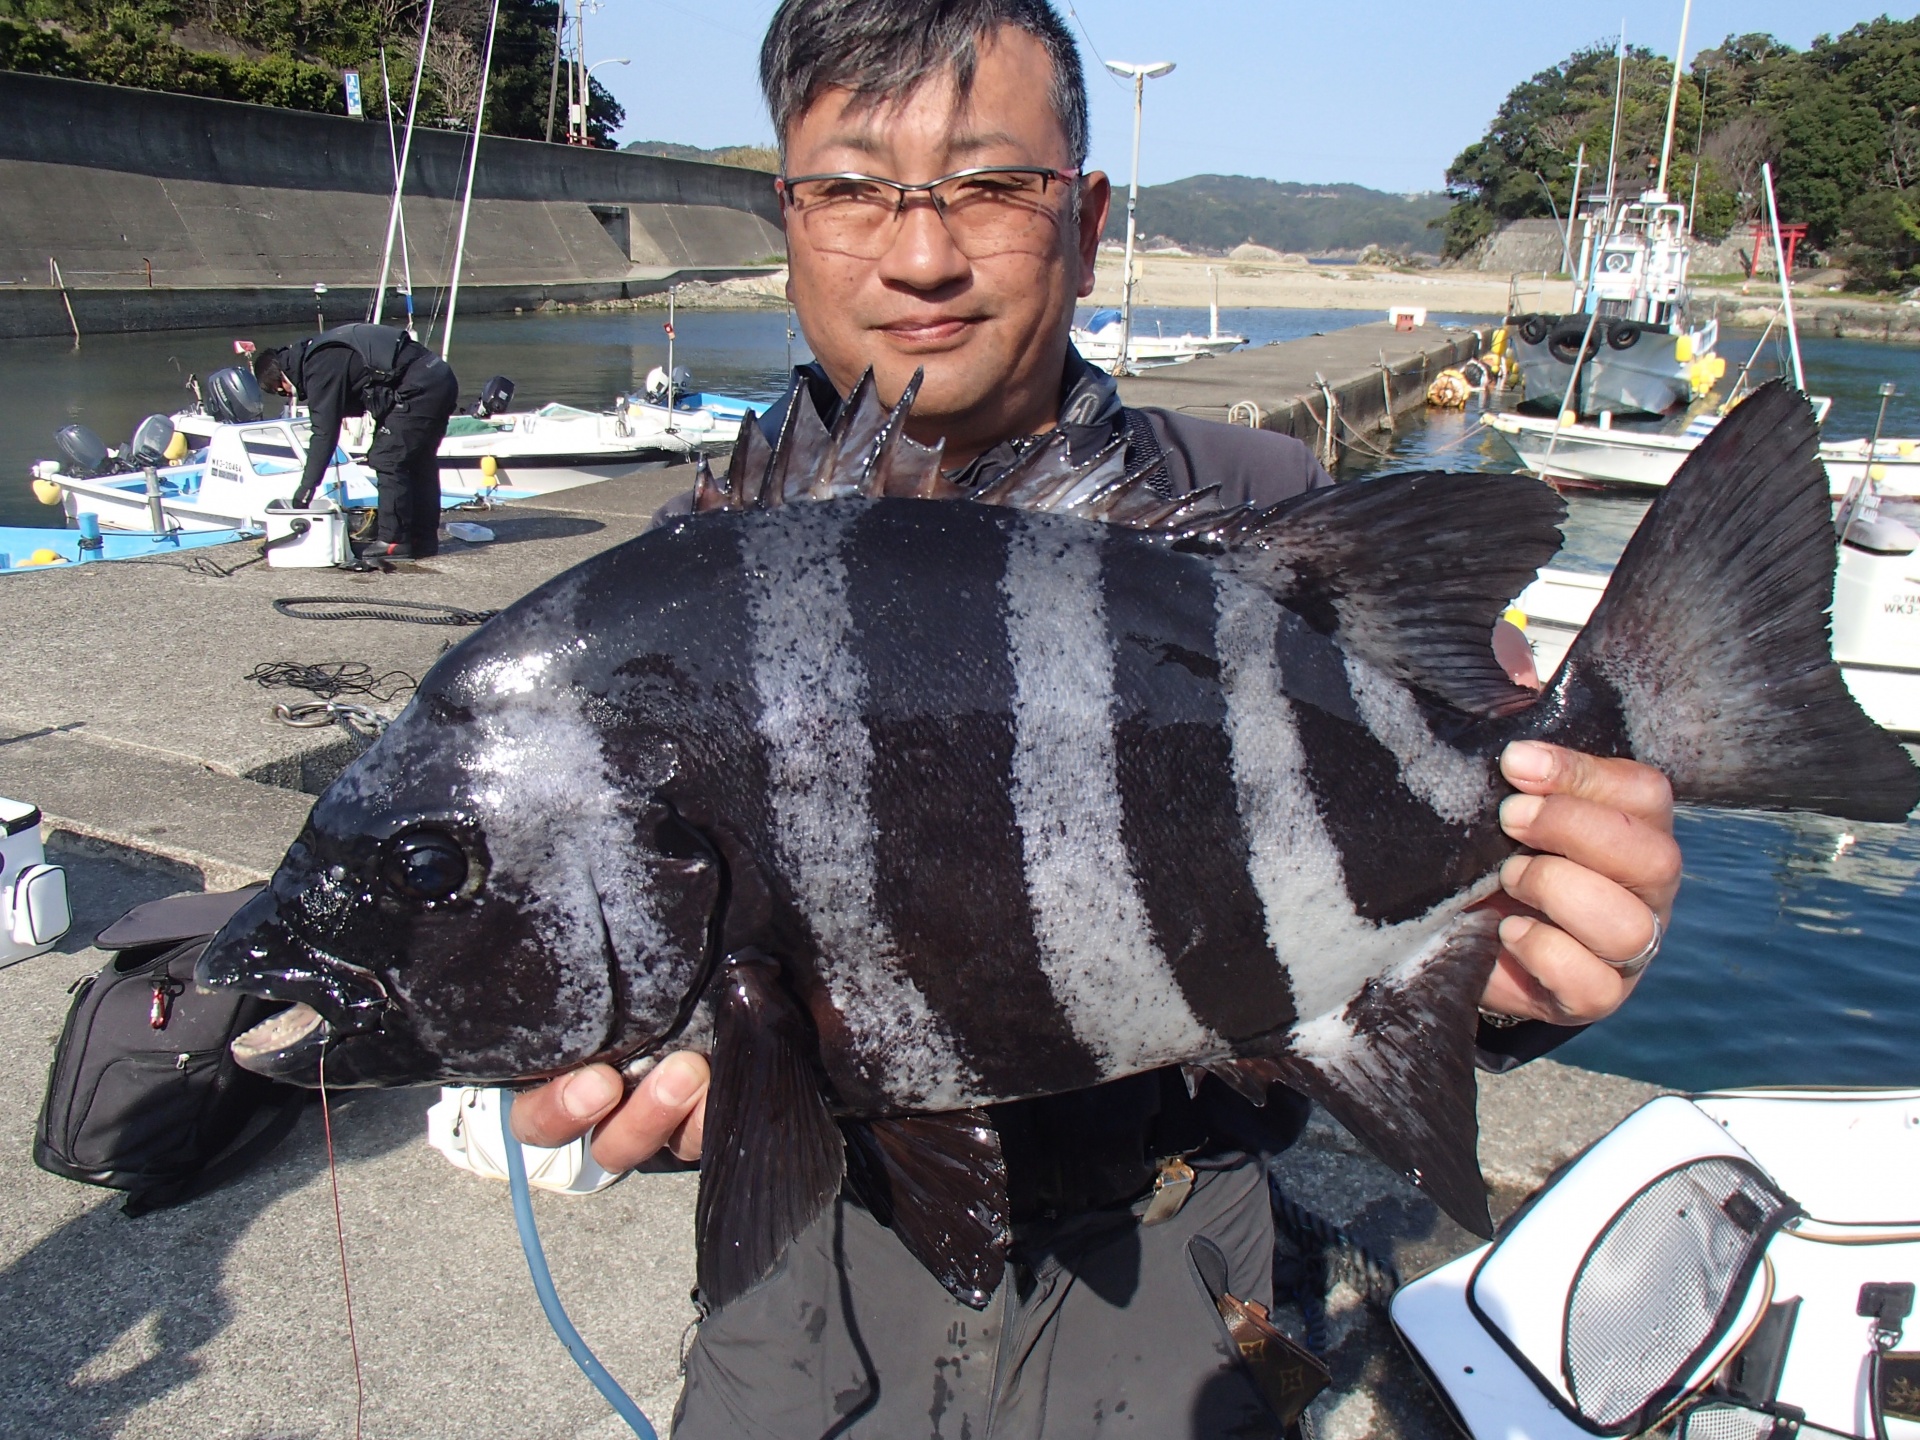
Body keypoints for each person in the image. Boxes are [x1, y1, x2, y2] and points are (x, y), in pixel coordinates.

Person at [513, 3, 1684, 1434]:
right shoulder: (686, 583)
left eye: (993, 185)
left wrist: (1520, 954)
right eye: (851, 187)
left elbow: (1469, 844)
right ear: (787, 214)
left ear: (1086, 213)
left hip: (1176, 1275)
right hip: (812, 1300)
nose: (921, 251)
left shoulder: (1259, 511)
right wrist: (653, 1046)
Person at [252, 322, 460, 560]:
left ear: (281, 381)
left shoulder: (317, 366)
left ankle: (393, 541)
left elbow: (324, 433)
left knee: (387, 459)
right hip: (438, 377)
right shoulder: (320, 352)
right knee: (419, 461)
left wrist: (306, 489)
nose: (291, 397)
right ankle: (422, 539)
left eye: (283, 393)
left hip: (419, 386)